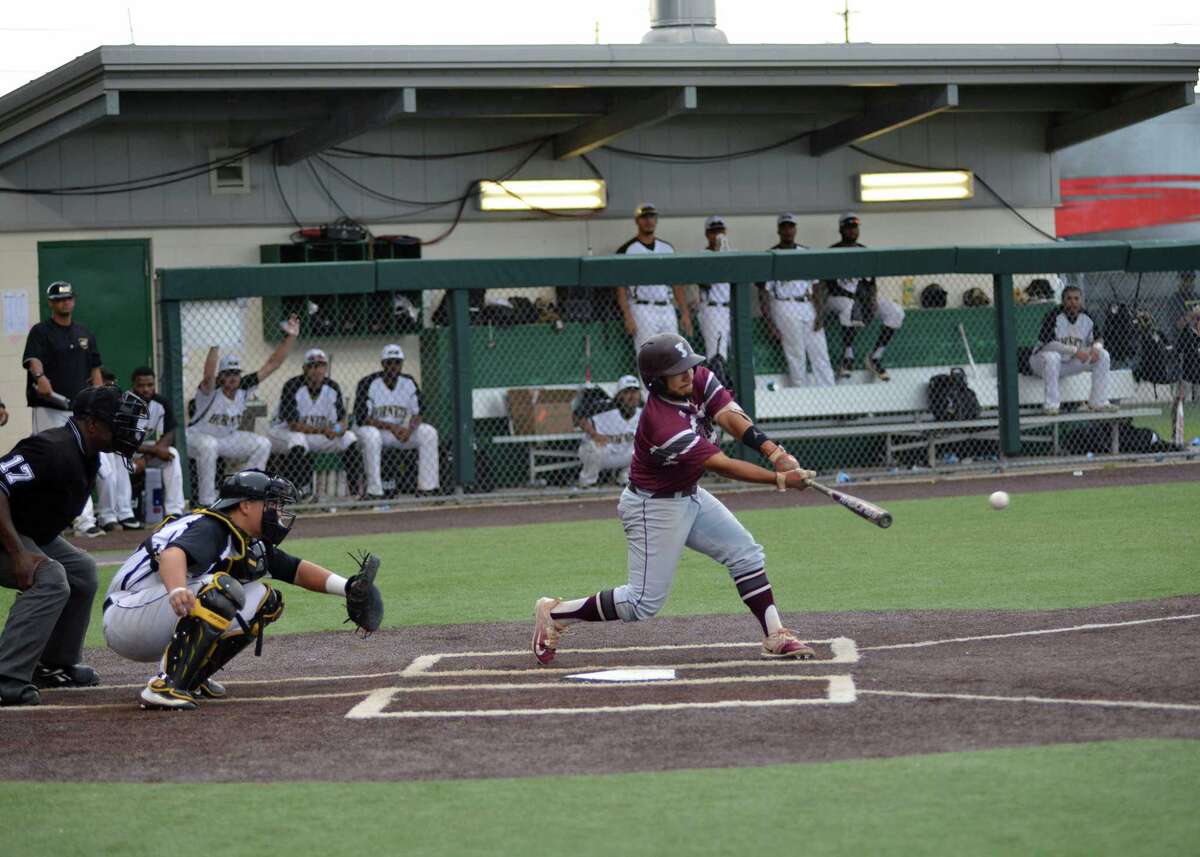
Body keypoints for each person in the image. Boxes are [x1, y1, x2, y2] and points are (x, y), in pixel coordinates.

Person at [532, 332, 819, 666]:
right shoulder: (661, 423)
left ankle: (775, 634)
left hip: (690, 494)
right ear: (656, 381)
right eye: (677, 370)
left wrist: (775, 452)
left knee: (745, 552)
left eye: (689, 366)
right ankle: (555, 614)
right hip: (653, 506)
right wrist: (780, 479)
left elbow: (727, 413)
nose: (688, 374)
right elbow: (721, 465)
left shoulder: (695, 379)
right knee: (641, 604)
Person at [103, 469, 380, 710]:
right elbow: (172, 555)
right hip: (127, 613)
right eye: (271, 504)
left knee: (266, 599)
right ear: (246, 505)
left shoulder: (245, 538)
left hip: (155, 612)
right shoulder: (211, 526)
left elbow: (293, 569)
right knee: (219, 590)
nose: (277, 512)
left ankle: (191, 676)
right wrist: (177, 590)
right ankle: (164, 686)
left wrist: (348, 587)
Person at [0, 385, 147, 706]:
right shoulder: (49, 448)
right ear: (91, 424)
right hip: (6, 533)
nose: (127, 431)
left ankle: (53, 664)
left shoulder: (86, 451)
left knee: (81, 571)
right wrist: (19, 554)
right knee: (50, 578)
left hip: (25, 529)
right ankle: (6, 676)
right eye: (117, 423)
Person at [21, 280, 105, 536]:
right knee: (50, 460)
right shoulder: (41, 331)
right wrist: (40, 377)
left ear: (74, 301)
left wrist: (99, 398)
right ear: (50, 303)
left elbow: (95, 368)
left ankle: (84, 520)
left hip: (78, 409)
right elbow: (33, 359)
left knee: (81, 460)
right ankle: (44, 516)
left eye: (67, 298)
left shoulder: (84, 333)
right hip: (49, 407)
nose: (64, 303)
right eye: (58, 300)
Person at [186, 315, 299, 506]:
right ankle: (207, 501)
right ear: (221, 377)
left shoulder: (243, 389)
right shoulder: (210, 391)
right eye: (228, 374)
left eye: (236, 373)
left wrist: (291, 337)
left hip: (226, 438)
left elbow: (273, 364)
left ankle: (245, 492)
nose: (233, 378)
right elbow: (208, 375)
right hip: (196, 437)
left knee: (262, 444)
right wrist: (215, 344)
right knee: (209, 446)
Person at [267, 348, 361, 500]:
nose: (317, 370)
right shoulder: (292, 386)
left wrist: (336, 430)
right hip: (283, 434)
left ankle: (356, 493)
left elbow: (343, 423)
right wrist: (324, 430)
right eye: (312, 366)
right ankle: (297, 493)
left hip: (316, 435)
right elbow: (293, 425)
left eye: (321, 365)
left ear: (326, 368)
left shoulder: (333, 387)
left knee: (349, 437)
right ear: (304, 368)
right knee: (298, 439)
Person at [823, 213, 905, 381]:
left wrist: (872, 300)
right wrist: (857, 300)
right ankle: (847, 357)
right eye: (848, 227)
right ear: (841, 229)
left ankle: (875, 357)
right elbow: (831, 286)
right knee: (849, 306)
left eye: (855, 227)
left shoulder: (865, 251)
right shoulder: (832, 251)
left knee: (896, 311)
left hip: (861, 298)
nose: (852, 231)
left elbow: (871, 282)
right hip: (836, 299)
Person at [354, 344, 440, 500]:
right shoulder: (368, 383)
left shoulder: (408, 382)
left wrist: (410, 430)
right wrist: (392, 427)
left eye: (397, 362)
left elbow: (418, 413)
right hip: (372, 430)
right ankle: (374, 491)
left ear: (402, 364)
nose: (393, 366)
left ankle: (427, 488)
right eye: (389, 362)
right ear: (383, 364)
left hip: (398, 432)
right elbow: (362, 418)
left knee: (428, 432)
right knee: (372, 436)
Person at [759, 213, 834, 387]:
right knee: (796, 353)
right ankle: (802, 397)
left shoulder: (805, 252)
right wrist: (770, 323)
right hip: (784, 304)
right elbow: (763, 293)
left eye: (790, 226)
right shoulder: (771, 254)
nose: (788, 230)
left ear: (795, 229)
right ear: (779, 230)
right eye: (784, 227)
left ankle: (830, 395)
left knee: (820, 352)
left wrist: (819, 314)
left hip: (807, 304)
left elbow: (816, 286)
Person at [614, 203, 694, 360]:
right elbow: (621, 287)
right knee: (648, 357)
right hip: (642, 307)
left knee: (673, 356)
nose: (649, 221)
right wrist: (627, 316)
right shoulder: (627, 249)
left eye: (652, 216)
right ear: (637, 220)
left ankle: (669, 386)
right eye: (644, 217)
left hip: (667, 306)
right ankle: (647, 386)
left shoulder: (667, 248)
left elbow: (676, 284)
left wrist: (684, 313)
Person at [1028, 285, 1115, 415]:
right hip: (1042, 364)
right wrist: (1075, 351)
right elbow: (1048, 344)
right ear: (1063, 301)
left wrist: (1096, 348)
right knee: (1052, 356)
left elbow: (1099, 338)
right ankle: (1051, 405)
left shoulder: (1087, 317)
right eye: (1069, 299)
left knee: (1103, 355)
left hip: (1068, 364)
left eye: (1076, 298)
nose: (1073, 302)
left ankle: (1099, 401)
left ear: (1081, 301)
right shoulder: (1054, 315)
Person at [128, 367, 187, 518]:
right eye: (141, 385)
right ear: (133, 386)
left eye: (150, 385)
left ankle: (174, 510)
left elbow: (169, 435)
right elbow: (124, 441)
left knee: (172, 454)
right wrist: (152, 452)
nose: (146, 389)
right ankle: (120, 514)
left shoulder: (161, 403)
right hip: (125, 452)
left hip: (144, 452)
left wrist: (145, 460)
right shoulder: (126, 404)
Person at [577, 375, 642, 489]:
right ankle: (587, 482)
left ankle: (627, 477)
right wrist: (594, 434)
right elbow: (578, 416)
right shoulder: (604, 407)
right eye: (627, 392)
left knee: (648, 447)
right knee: (592, 447)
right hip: (605, 452)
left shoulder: (644, 410)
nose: (632, 396)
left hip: (626, 454)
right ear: (619, 395)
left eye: (635, 391)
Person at [697, 215, 732, 360]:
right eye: (713, 231)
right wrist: (717, 253)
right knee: (717, 355)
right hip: (713, 309)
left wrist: (725, 252)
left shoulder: (732, 253)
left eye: (720, 230)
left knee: (742, 354)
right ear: (707, 234)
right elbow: (705, 282)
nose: (718, 234)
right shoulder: (702, 255)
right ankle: (717, 383)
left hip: (733, 309)